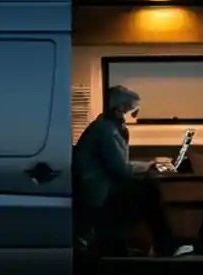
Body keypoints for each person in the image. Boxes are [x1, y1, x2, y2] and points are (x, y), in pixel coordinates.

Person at [73, 85, 184, 256]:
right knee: (149, 193)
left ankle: (131, 244)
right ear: (119, 109)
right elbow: (121, 169)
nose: (135, 116)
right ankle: (166, 247)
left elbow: (118, 164)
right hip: (98, 194)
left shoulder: (106, 127)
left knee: (144, 191)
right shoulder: (106, 130)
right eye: (133, 111)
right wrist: (149, 165)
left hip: (100, 189)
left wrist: (148, 164)